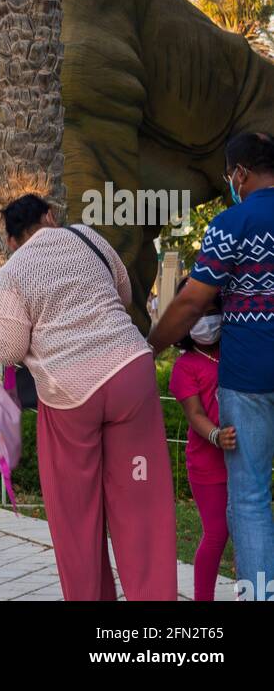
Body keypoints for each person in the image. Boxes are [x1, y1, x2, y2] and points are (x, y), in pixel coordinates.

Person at [0, 193, 178, 601]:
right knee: (141, 501)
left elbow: (13, 350)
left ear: (11, 240)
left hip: (71, 397)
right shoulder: (88, 238)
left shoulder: (13, 273)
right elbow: (122, 295)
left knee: (76, 514)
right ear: (50, 216)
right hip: (130, 375)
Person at [150, 130, 274, 601]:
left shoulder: (231, 223)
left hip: (247, 380)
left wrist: (153, 345)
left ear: (239, 173)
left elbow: (191, 303)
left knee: (250, 498)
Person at [168, 279, 234, 601]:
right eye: (197, 315)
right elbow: (194, 414)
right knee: (217, 533)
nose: (206, 322)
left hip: (242, 459)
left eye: (212, 312)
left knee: (248, 530)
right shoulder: (184, 367)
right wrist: (216, 436)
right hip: (207, 465)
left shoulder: (234, 351)